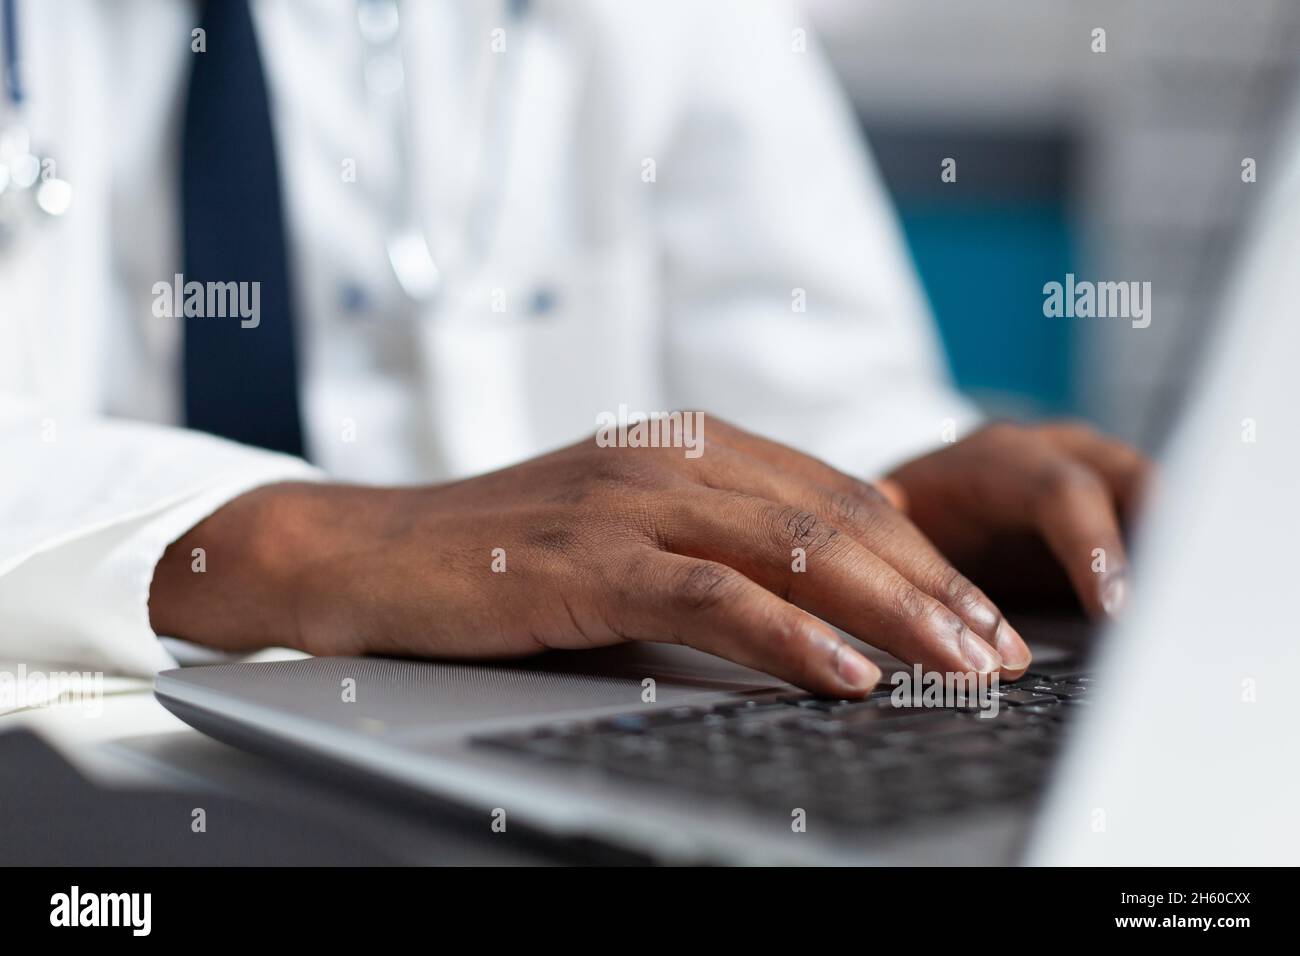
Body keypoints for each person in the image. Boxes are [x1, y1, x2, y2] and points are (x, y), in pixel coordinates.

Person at [0, 0, 1148, 693]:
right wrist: (323, 542)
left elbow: (814, 374)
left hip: (582, 714)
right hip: (116, 737)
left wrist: (890, 501)